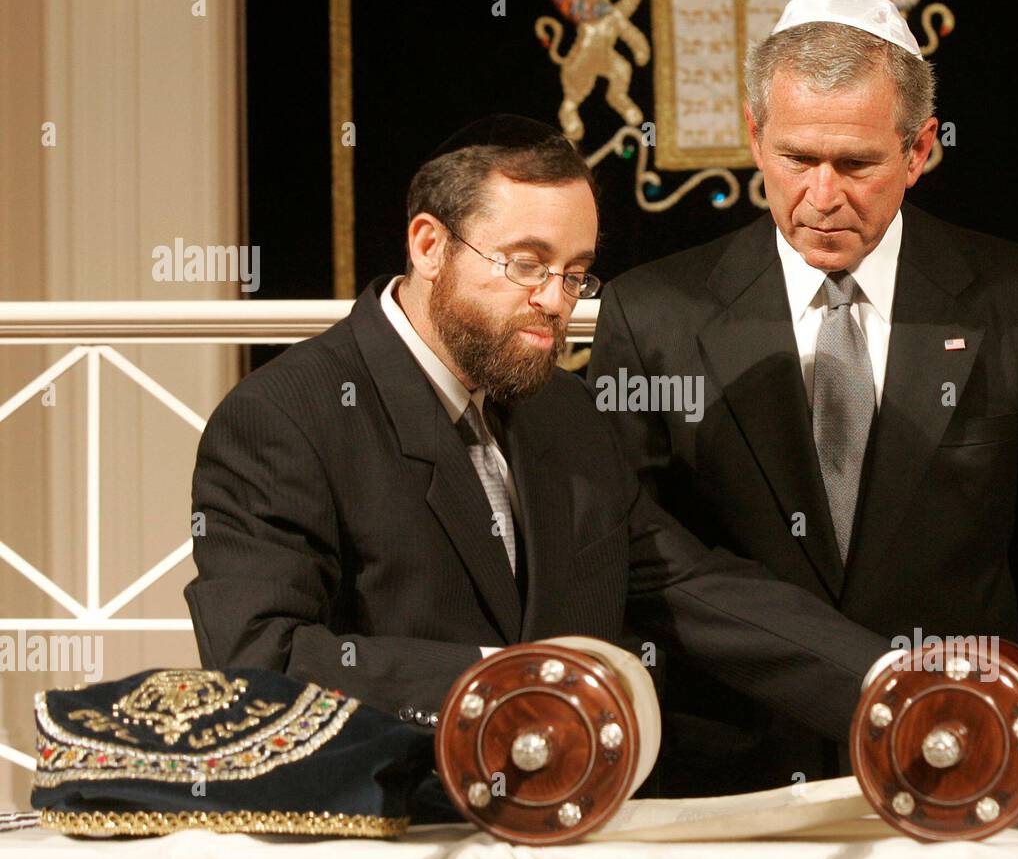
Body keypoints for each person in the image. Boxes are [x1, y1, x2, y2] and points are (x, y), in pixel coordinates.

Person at [184, 115, 891, 796]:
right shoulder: (283, 418)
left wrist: (889, 679)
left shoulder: (566, 411)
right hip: (393, 832)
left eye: (575, 272)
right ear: (429, 246)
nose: (556, 301)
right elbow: (259, 664)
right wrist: (513, 683)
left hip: (568, 825)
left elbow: (695, 588)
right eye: (527, 264)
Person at [589, 0, 1018, 796]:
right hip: (726, 783)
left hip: (960, 760)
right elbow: (635, 559)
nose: (822, 196)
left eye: (856, 164)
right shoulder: (652, 313)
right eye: (796, 159)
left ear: (920, 151)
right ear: (753, 135)